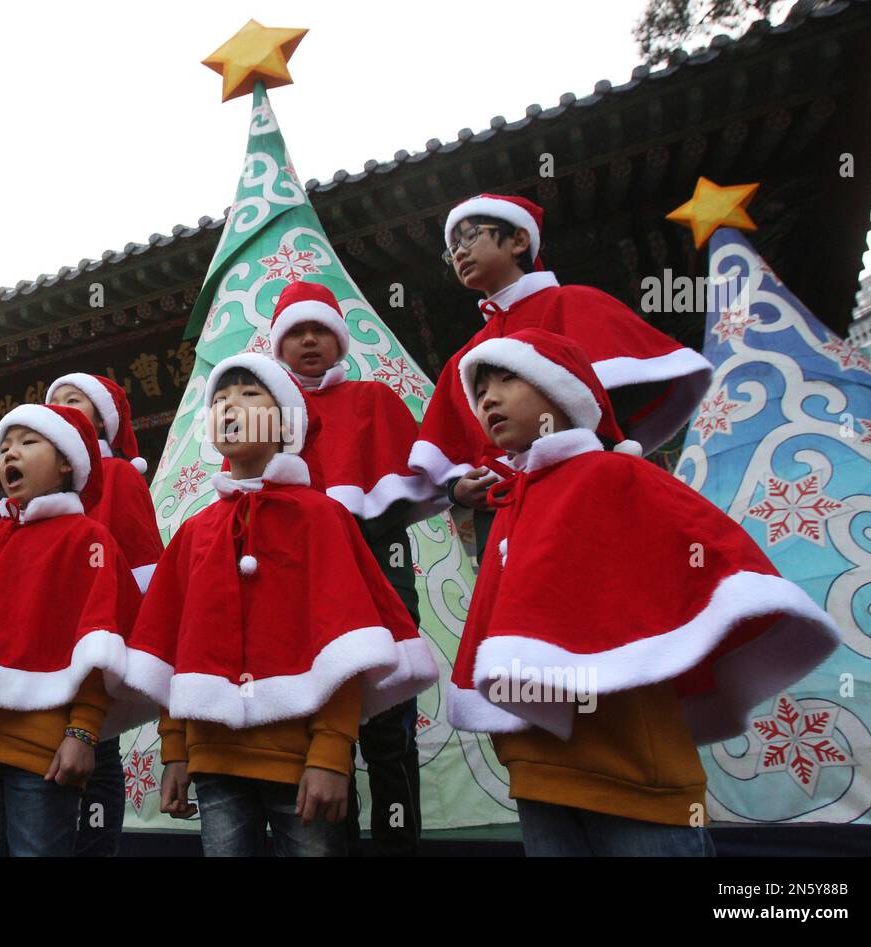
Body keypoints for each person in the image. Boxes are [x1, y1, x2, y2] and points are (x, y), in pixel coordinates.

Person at [446, 328, 840, 856]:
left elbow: (703, 556)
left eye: (507, 377)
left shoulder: (611, 475)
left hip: (633, 774)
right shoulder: (513, 505)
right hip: (535, 775)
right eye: (480, 389)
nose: (488, 397)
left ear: (562, 391)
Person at [123, 353, 438, 856]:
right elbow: (169, 651)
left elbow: (347, 644)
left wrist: (331, 752)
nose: (230, 407)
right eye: (220, 400)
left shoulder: (322, 518)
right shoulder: (193, 533)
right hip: (213, 763)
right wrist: (175, 751)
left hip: (301, 759)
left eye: (249, 396)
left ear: (286, 422)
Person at [410, 193, 712, 555]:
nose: (458, 252)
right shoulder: (465, 357)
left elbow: (623, 399)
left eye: (471, 235)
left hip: (587, 487)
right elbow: (453, 449)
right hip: (505, 513)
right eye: (452, 247)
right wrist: (457, 489)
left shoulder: (574, 304)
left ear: (519, 240)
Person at [0, 403, 146, 857]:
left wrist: (82, 733)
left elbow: (99, 647)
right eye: (3, 447)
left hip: (40, 750)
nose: (9, 455)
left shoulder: (89, 541)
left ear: (67, 461)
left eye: (27, 442)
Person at [269, 279, 437, 856]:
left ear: (340, 340)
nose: (310, 341)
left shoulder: (375, 400)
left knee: (389, 729)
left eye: (320, 330)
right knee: (319, 733)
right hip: (303, 588)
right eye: (297, 332)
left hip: (379, 572)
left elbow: (410, 496)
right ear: (279, 346)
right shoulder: (267, 419)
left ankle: (399, 847)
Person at [46, 372, 163, 856]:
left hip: (98, 632)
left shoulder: (116, 476)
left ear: (102, 418)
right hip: (52, 634)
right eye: (54, 402)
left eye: (75, 400)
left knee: (99, 744)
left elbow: (140, 558)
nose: (63, 407)